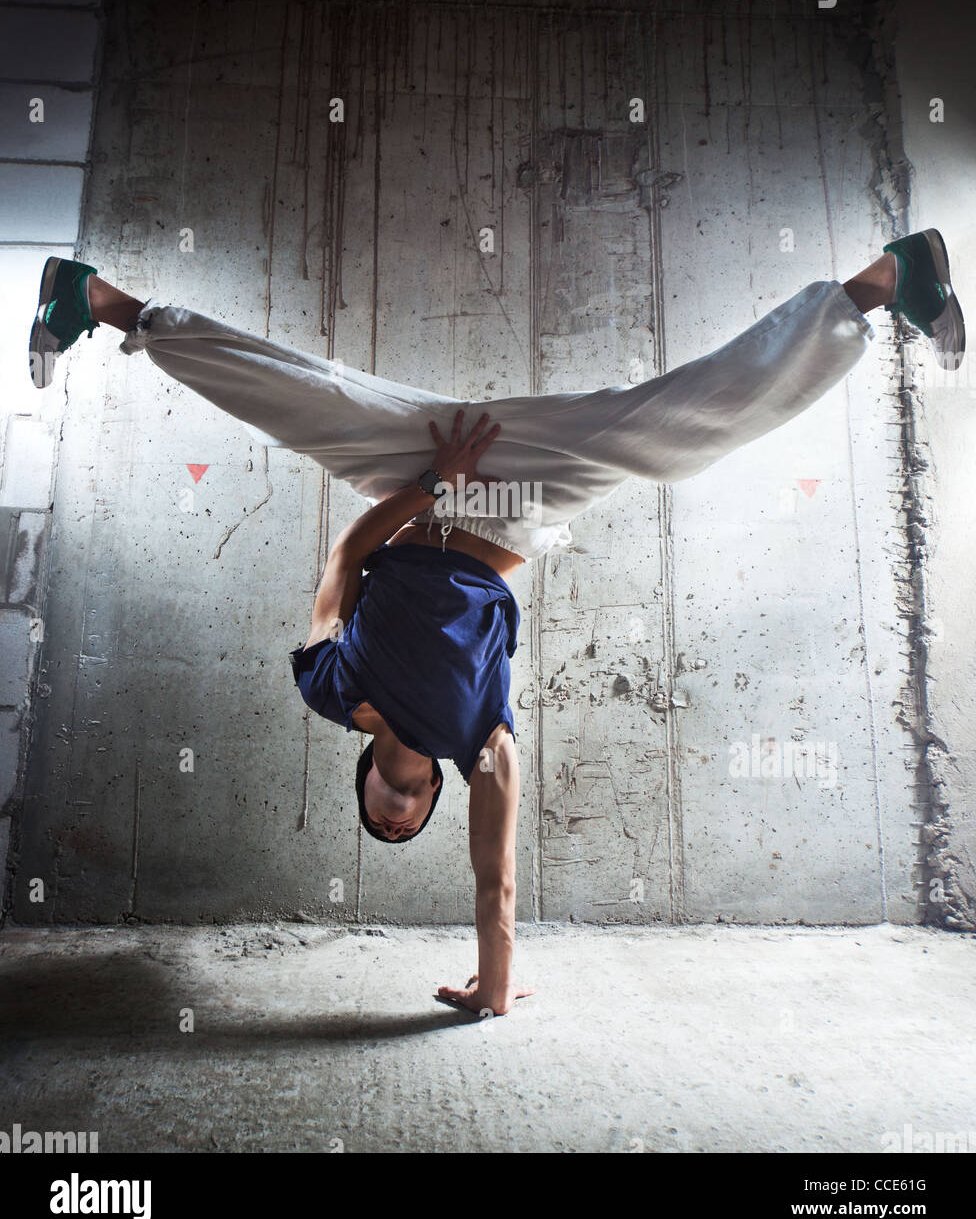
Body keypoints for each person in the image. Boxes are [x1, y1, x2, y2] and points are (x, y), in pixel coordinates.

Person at [26, 230, 964, 1014]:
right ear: (431, 797)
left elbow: (347, 557)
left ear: (367, 787)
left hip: (415, 467)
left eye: (377, 827)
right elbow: (496, 887)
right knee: (676, 432)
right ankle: (883, 284)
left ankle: (93, 298)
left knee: (294, 397)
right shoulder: (484, 748)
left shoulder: (329, 689)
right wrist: (495, 991)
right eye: (408, 830)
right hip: (521, 491)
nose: (394, 824)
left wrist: (435, 481)